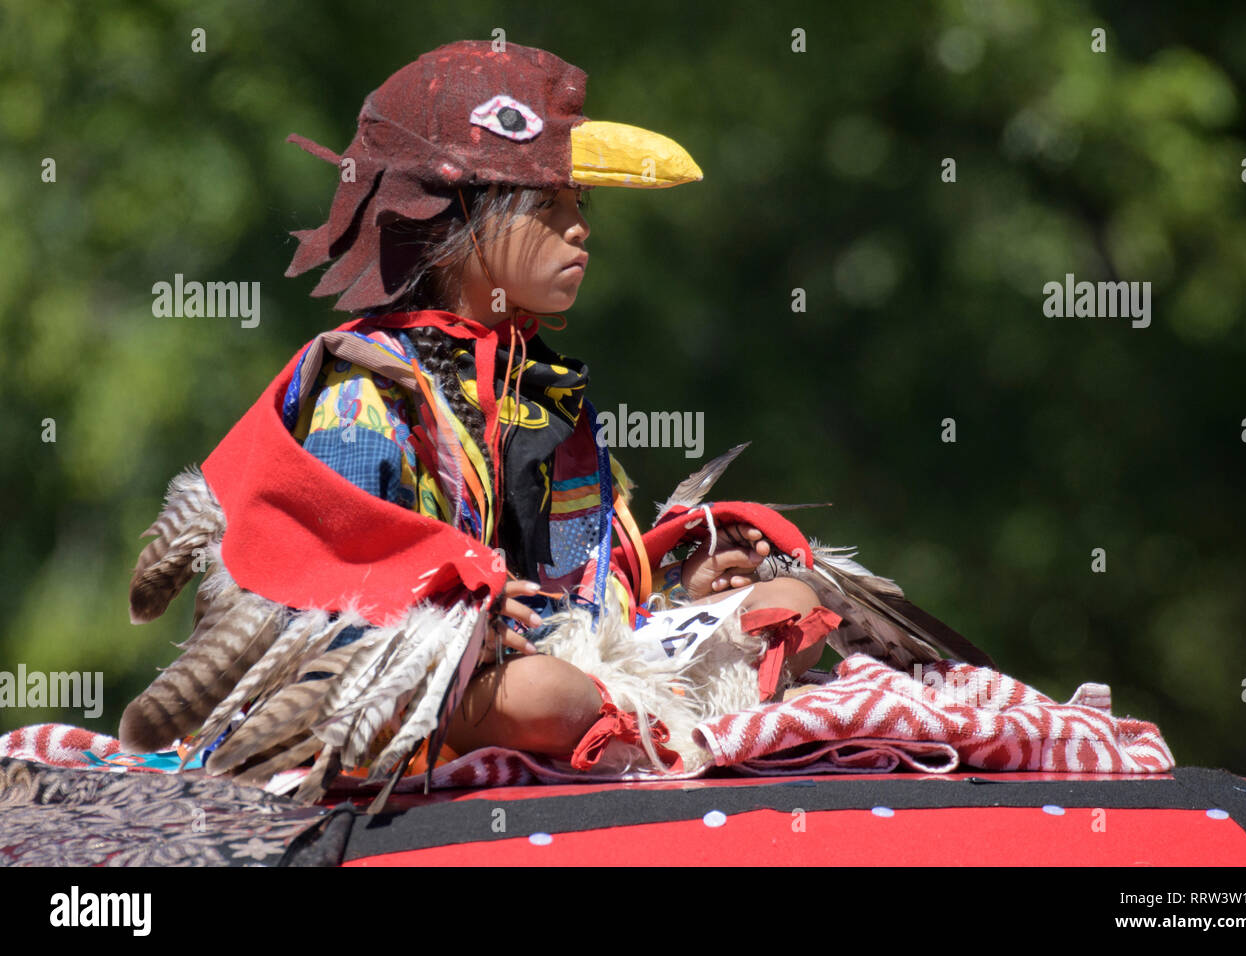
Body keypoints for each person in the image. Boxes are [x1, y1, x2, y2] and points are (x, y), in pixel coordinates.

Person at [120, 40, 838, 797]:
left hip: (561, 661)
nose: (579, 229)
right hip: (433, 690)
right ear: (457, 213)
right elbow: (325, 596)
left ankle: (634, 714)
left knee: (790, 607)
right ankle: (612, 722)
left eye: (579, 206)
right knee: (546, 698)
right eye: (547, 206)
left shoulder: (544, 390)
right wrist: (458, 629)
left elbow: (584, 591)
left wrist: (685, 585)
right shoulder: (368, 392)